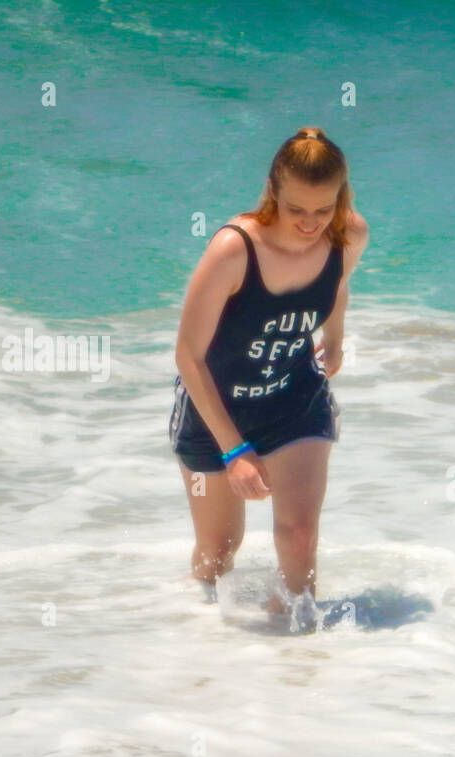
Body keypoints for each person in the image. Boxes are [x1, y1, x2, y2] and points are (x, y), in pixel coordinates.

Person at [168, 127, 369, 625]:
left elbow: (337, 283)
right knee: (218, 553)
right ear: (273, 191)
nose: (310, 223)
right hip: (216, 406)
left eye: (323, 210)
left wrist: (335, 336)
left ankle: (296, 662)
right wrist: (234, 451)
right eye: (296, 209)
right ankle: (203, 645)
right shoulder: (234, 250)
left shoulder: (349, 234)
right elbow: (188, 355)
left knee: (299, 534)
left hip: (293, 397)